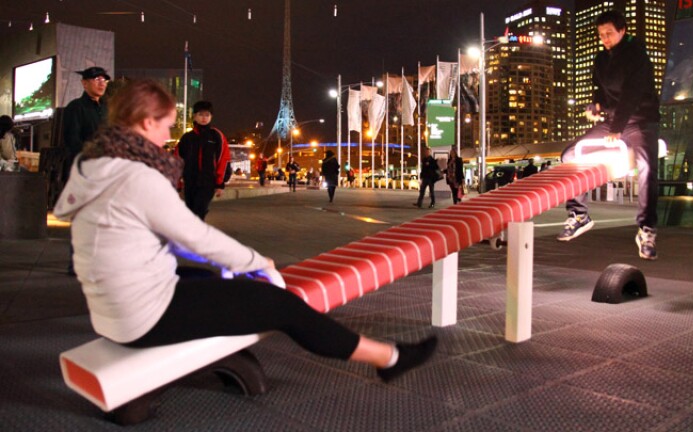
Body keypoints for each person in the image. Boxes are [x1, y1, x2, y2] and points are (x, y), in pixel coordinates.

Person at [52, 79, 437, 385]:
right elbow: (196, 237)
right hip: (142, 316)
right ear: (147, 122)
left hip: (109, 310)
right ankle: (389, 358)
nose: (168, 134)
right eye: (166, 124)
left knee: (212, 278)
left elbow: (149, 236)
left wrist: (231, 266)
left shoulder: (95, 165)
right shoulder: (136, 177)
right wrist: (256, 261)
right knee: (283, 306)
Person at [557, 10, 660, 261]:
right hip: (614, 121)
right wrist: (596, 106)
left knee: (647, 165)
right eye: (601, 34)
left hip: (641, 120)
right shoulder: (601, 59)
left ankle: (647, 229)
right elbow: (601, 93)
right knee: (569, 155)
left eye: (609, 33)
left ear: (622, 31)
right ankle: (579, 214)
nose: (605, 38)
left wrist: (617, 129)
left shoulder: (636, 54)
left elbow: (632, 93)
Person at [62, 66, 110, 276]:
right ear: (84, 83)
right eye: (97, 79)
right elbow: (72, 140)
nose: (102, 83)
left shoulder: (107, 108)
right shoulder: (75, 108)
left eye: (104, 80)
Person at [175, 100, 231, 220]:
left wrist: (220, 183)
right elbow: (177, 161)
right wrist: (177, 184)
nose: (204, 118)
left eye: (207, 115)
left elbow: (224, 159)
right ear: (194, 116)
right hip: (190, 182)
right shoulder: (187, 138)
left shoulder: (217, 136)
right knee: (190, 212)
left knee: (199, 210)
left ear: (211, 117)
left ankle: (196, 231)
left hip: (208, 182)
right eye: (200, 114)